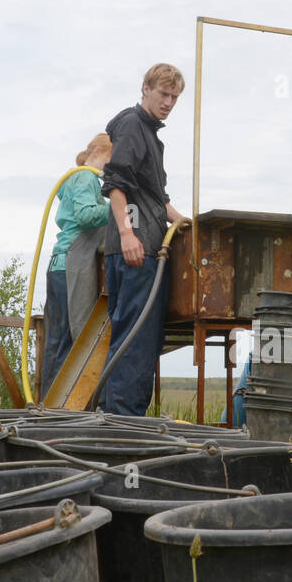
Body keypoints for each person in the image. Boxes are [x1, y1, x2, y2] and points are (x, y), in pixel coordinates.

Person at [97, 63, 190, 415]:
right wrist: (127, 234)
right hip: (137, 250)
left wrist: (182, 220)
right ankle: (125, 424)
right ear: (146, 89)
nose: (168, 102)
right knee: (137, 340)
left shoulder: (150, 135)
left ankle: (112, 416)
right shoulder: (133, 125)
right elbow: (116, 184)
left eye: (175, 97)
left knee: (132, 337)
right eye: (163, 94)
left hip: (146, 245)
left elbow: (155, 198)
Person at [43, 133, 111, 389]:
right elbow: (85, 216)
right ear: (105, 153)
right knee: (72, 340)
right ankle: (58, 412)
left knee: (56, 341)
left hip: (59, 266)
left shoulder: (73, 179)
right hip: (72, 265)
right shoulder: (85, 177)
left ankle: (46, 408)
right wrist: (117, 205)